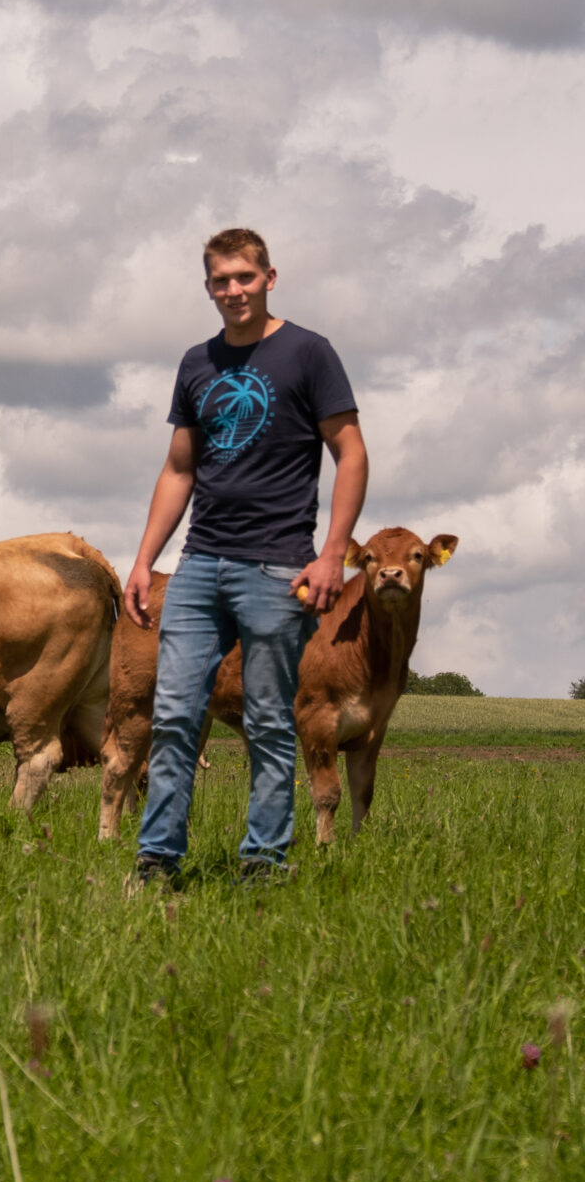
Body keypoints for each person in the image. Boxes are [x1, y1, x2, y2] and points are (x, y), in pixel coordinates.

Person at [123, 228, 367, 886]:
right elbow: (179, 469)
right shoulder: (197, 363)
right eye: (221, 281)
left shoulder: (307, 353)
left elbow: (351, 451)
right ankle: (157, 860)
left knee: (265, 719)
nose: (233, 290)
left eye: (244, 278)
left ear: (269, 277)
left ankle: (264, 862)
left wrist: (333, 555)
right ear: (208, 287)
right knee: (174, 714)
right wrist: (146, 558)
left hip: (278, 566)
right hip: (200, 563)